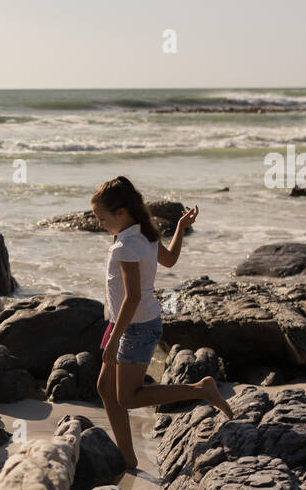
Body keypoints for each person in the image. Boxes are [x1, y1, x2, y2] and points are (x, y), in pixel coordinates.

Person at [91, 176, 234, 470]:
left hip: (135, 326)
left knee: (128, 397)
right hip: (125, 322)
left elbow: (131, 298)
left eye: (102, 218)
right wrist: (181, 227)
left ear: (121, 212)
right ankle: (128, 456)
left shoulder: (127, 245)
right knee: (106, 388)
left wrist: (116, 338)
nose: (99, 224)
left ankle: (200, 389)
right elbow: (170, 260)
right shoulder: (143, 234)